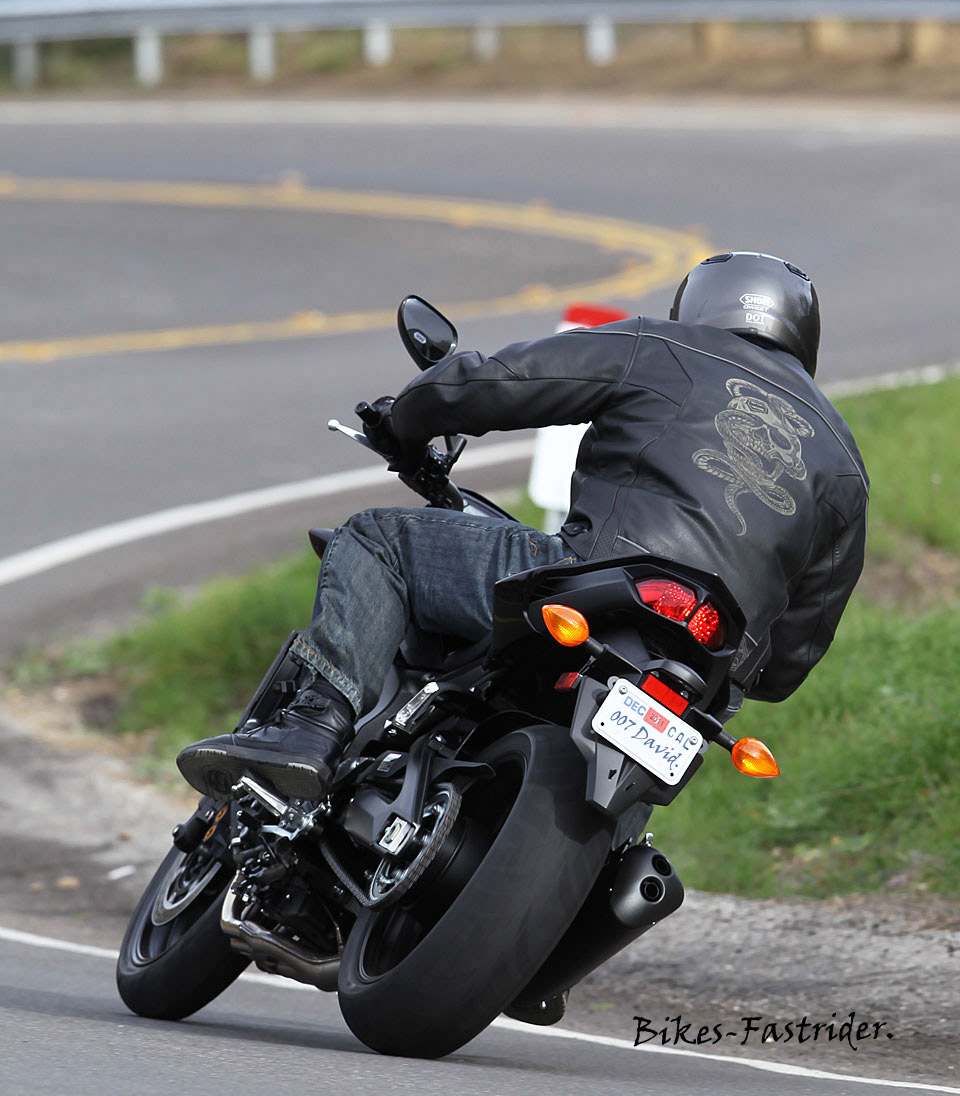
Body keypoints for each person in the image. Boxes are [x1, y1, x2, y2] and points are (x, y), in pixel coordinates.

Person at [178, 252, 869, 801]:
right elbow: (791, 657)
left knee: (378, 540)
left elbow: (501, 384)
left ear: (700, 308)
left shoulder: (666, 347)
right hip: (703, 664)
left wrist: (406, 418)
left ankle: (311, 727)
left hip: (599, 581)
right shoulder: (845, 465)